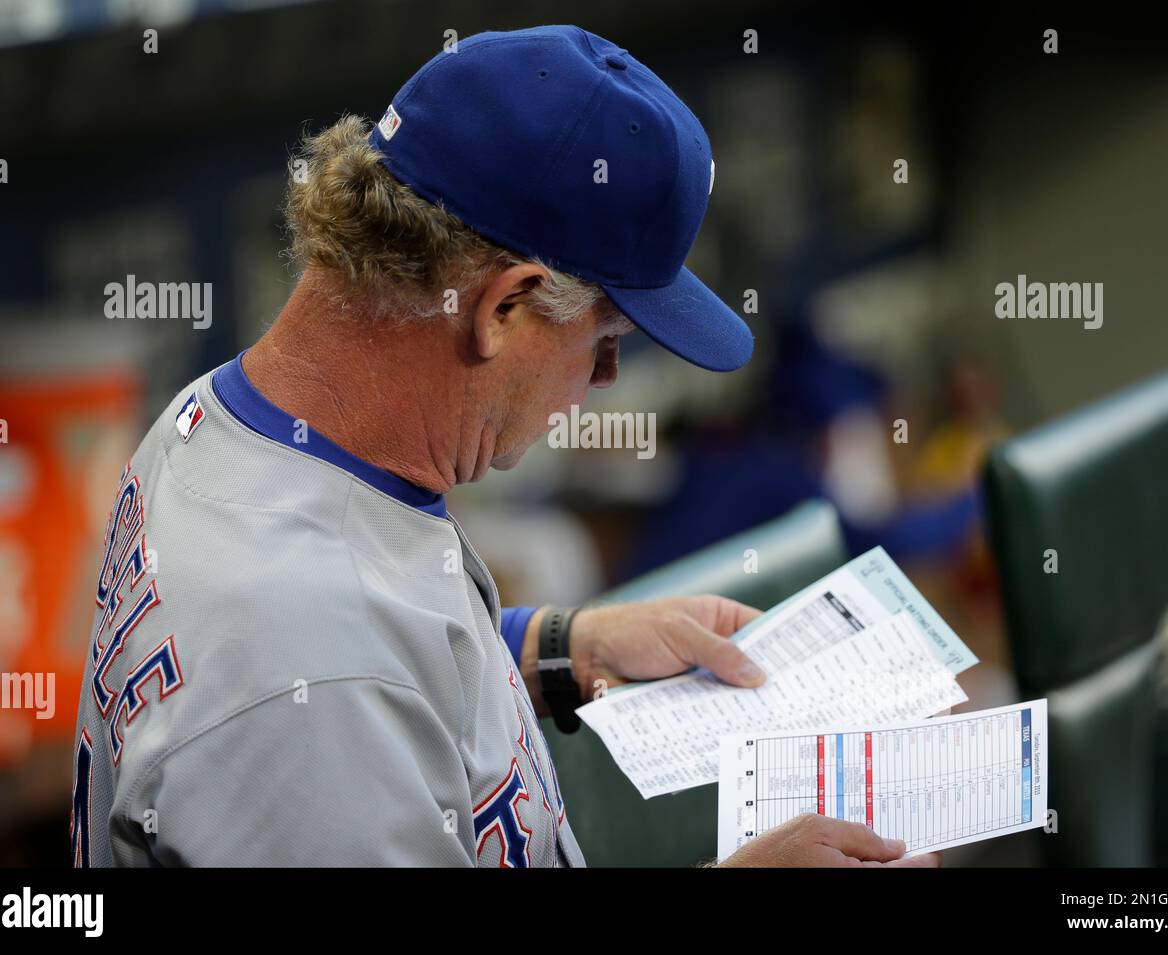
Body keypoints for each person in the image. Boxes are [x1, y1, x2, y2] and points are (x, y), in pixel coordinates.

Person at [69, 24, 936, 868]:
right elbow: (334, 685)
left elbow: (388, 676)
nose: (603, 382)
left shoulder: (219, 421)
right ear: (505, 308)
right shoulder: (308, 668)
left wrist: (564, 647)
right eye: (606, 342)